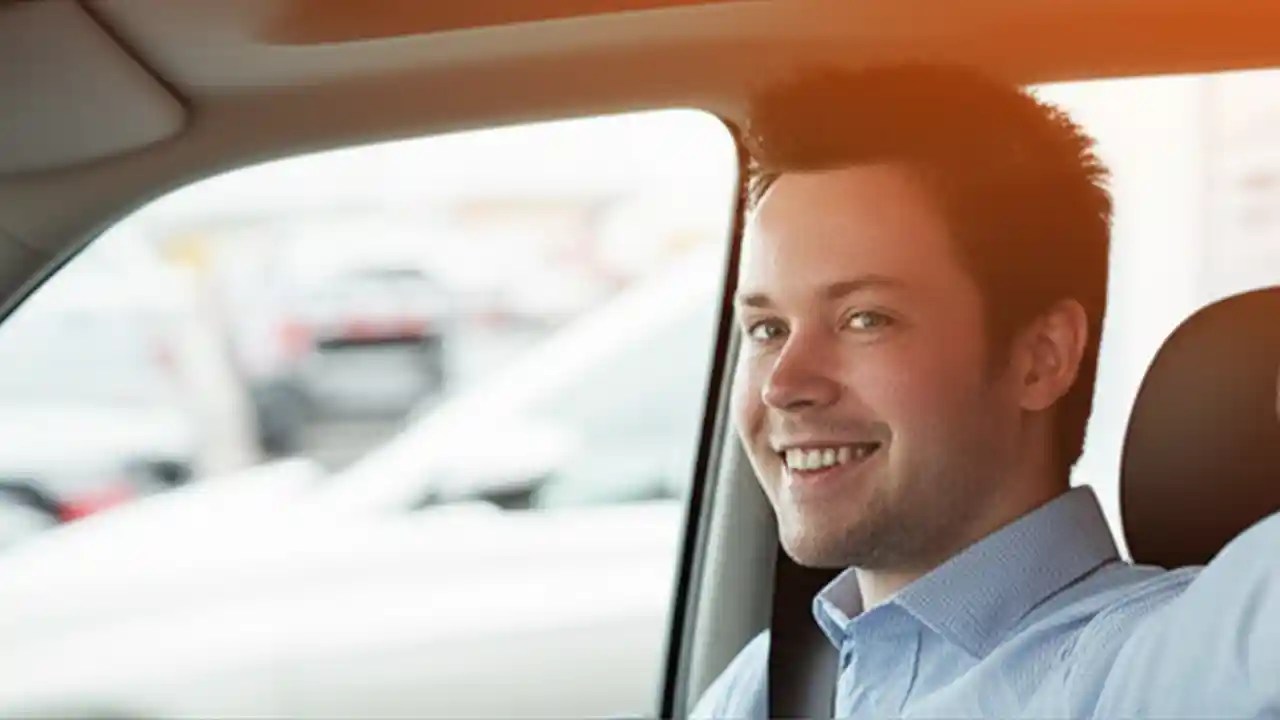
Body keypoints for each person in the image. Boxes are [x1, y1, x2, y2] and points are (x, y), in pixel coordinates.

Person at [692, 64, 1248, 718]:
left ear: (1041, 358)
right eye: (766, 328)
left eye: (866, 319)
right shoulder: (765, 684)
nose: (785, 384)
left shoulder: (1154, 667)